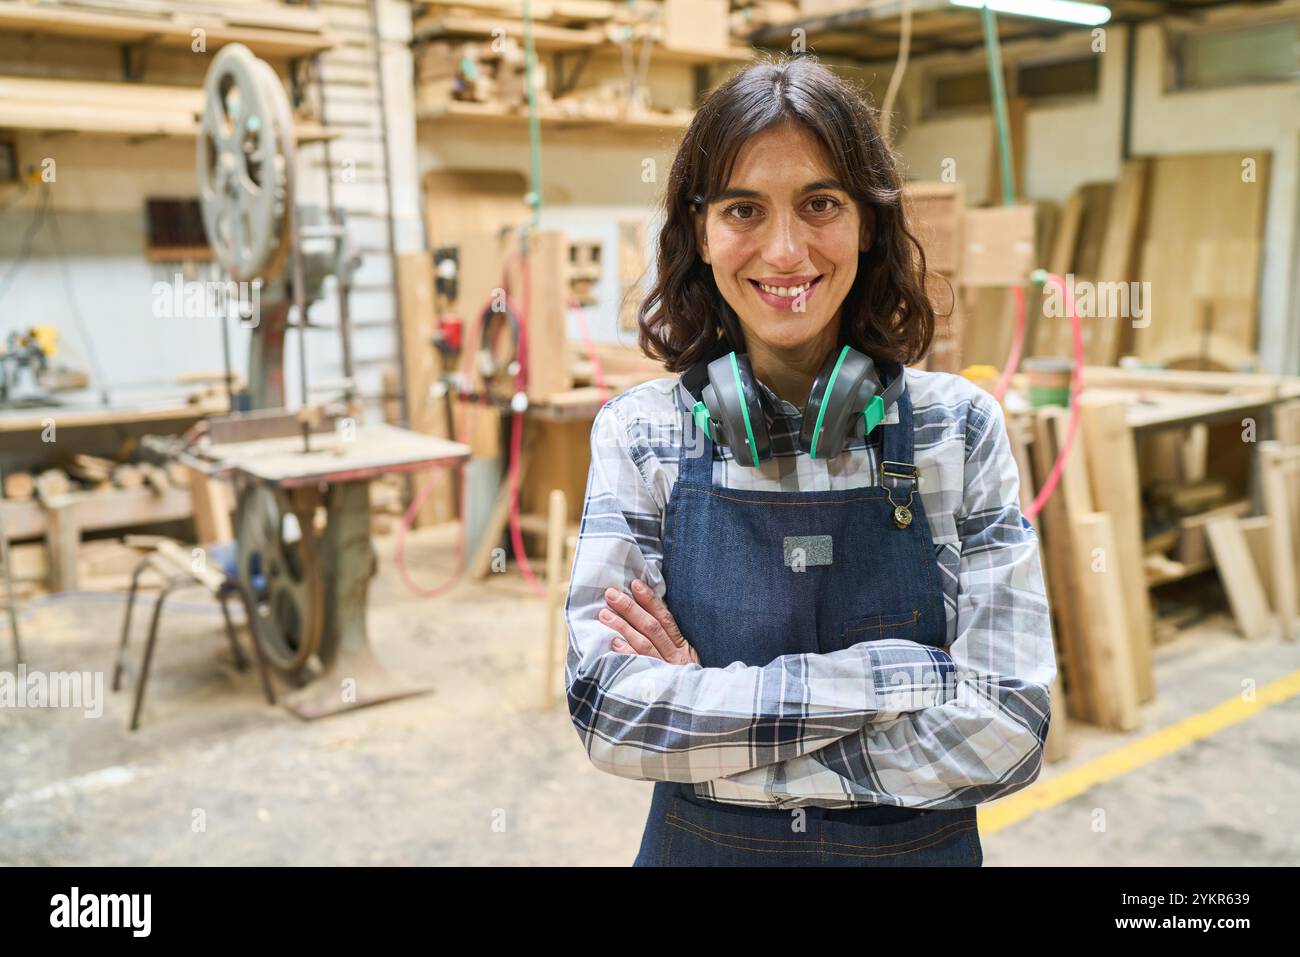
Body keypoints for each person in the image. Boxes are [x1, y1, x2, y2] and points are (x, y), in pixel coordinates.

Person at [563, 56, 1055, 867]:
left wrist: (706, 715)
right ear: (701, 232)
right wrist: (902, 676)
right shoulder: (642, 434)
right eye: (743, 209)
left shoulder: (957, 430)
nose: (785, 251)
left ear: (868, 222)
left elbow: (1009, 727)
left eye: (820, 203)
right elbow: (611, 714)